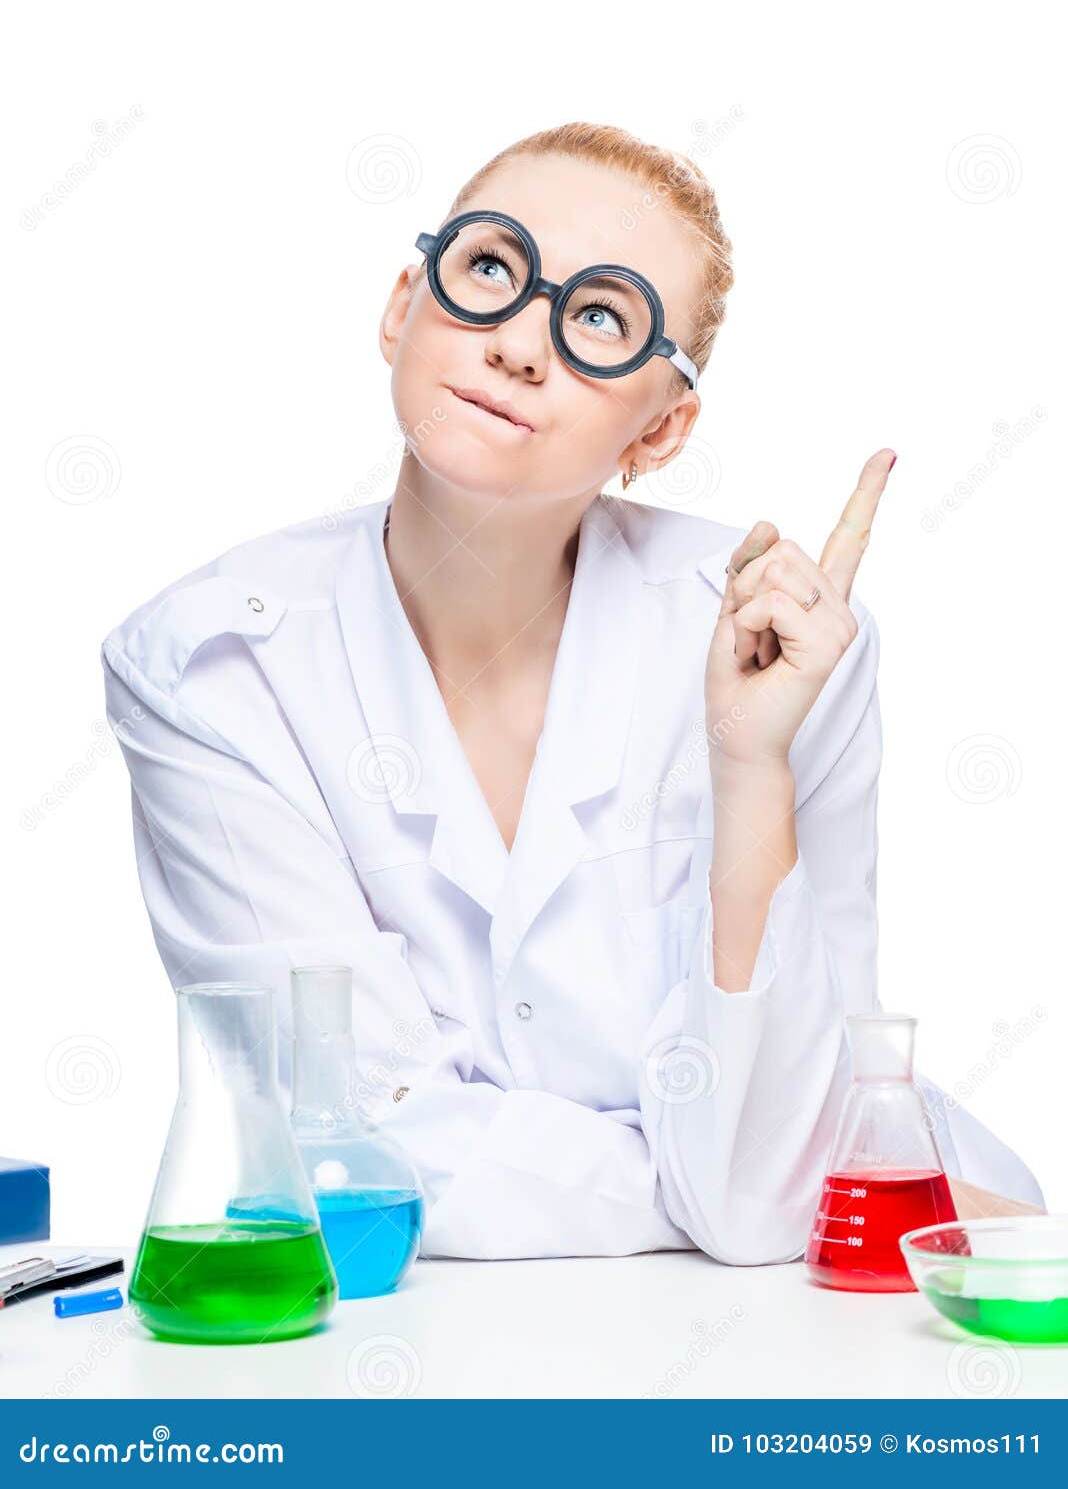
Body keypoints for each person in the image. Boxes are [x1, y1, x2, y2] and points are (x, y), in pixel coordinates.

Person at [102, 122, 1043, 1262]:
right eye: (491, 269)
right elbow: (340, 1147)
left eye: (601, 318)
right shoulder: (208, 668)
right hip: (811, 1242)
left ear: (661, 427)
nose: (519, 343)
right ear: (405, 303)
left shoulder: (787, 648)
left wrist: (749, 769)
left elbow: (760, 1196)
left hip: (867, 1298)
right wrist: (715, 1184)